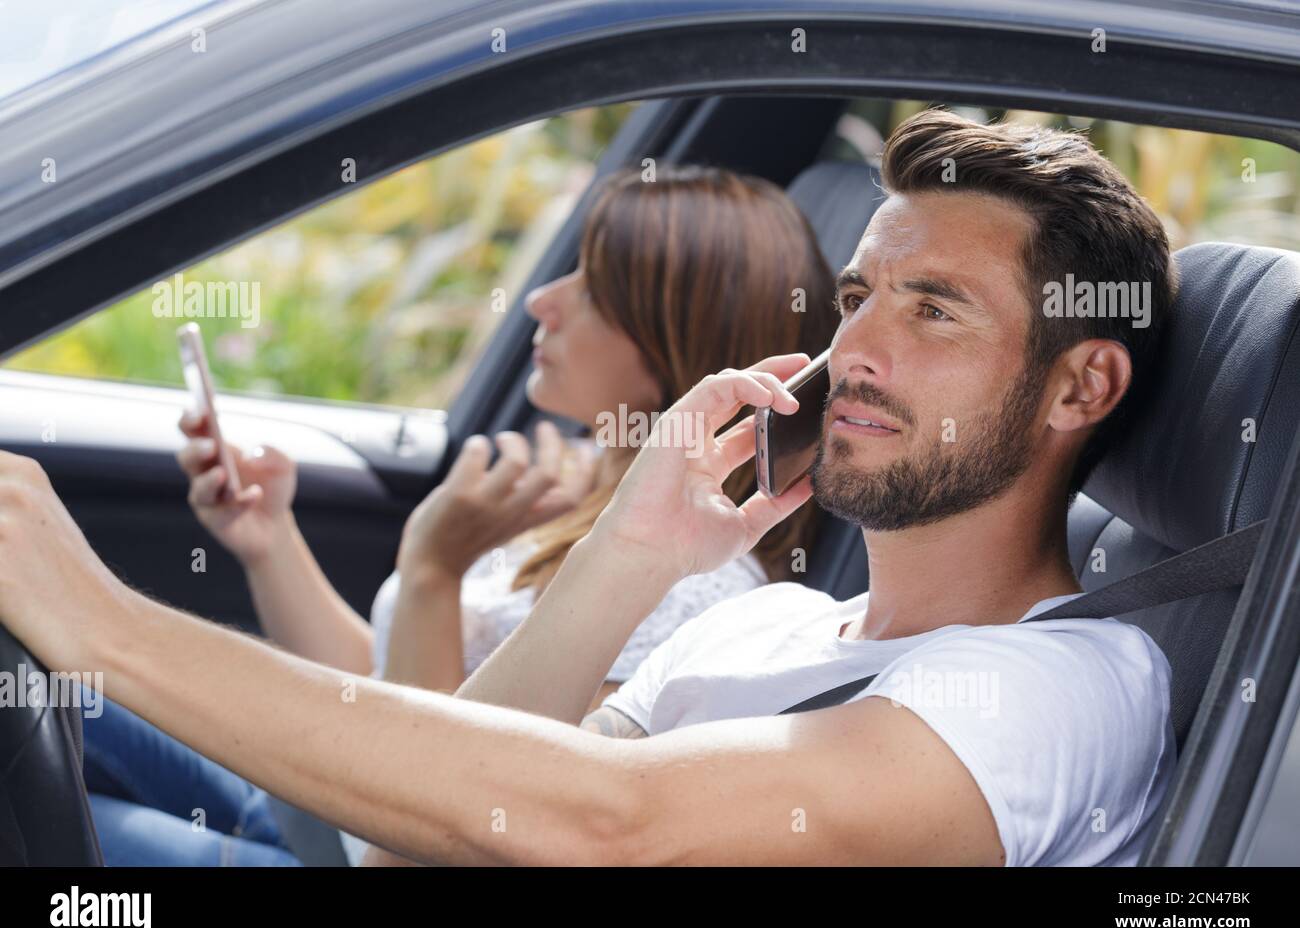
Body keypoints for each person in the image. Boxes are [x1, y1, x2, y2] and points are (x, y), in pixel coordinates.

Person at [2, 107, 1178, 866]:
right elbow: (419, 850)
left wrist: (93, 613)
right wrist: (630, 548)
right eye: (860, 295)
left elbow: (611, 822)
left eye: (933, 308)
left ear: (1079, 385)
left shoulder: (1055, 687)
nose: (858, 345)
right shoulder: (768, 622)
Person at [79, 164, 837, 865]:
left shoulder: (684, 581)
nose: (544, 298)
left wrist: (433, 571)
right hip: (313, 812)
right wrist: (268, 540)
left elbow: (466, 814)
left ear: (676, 347)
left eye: (594, 289)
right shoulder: (573, 503)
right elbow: (376, 697)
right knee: (45, 661)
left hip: (358, 852)